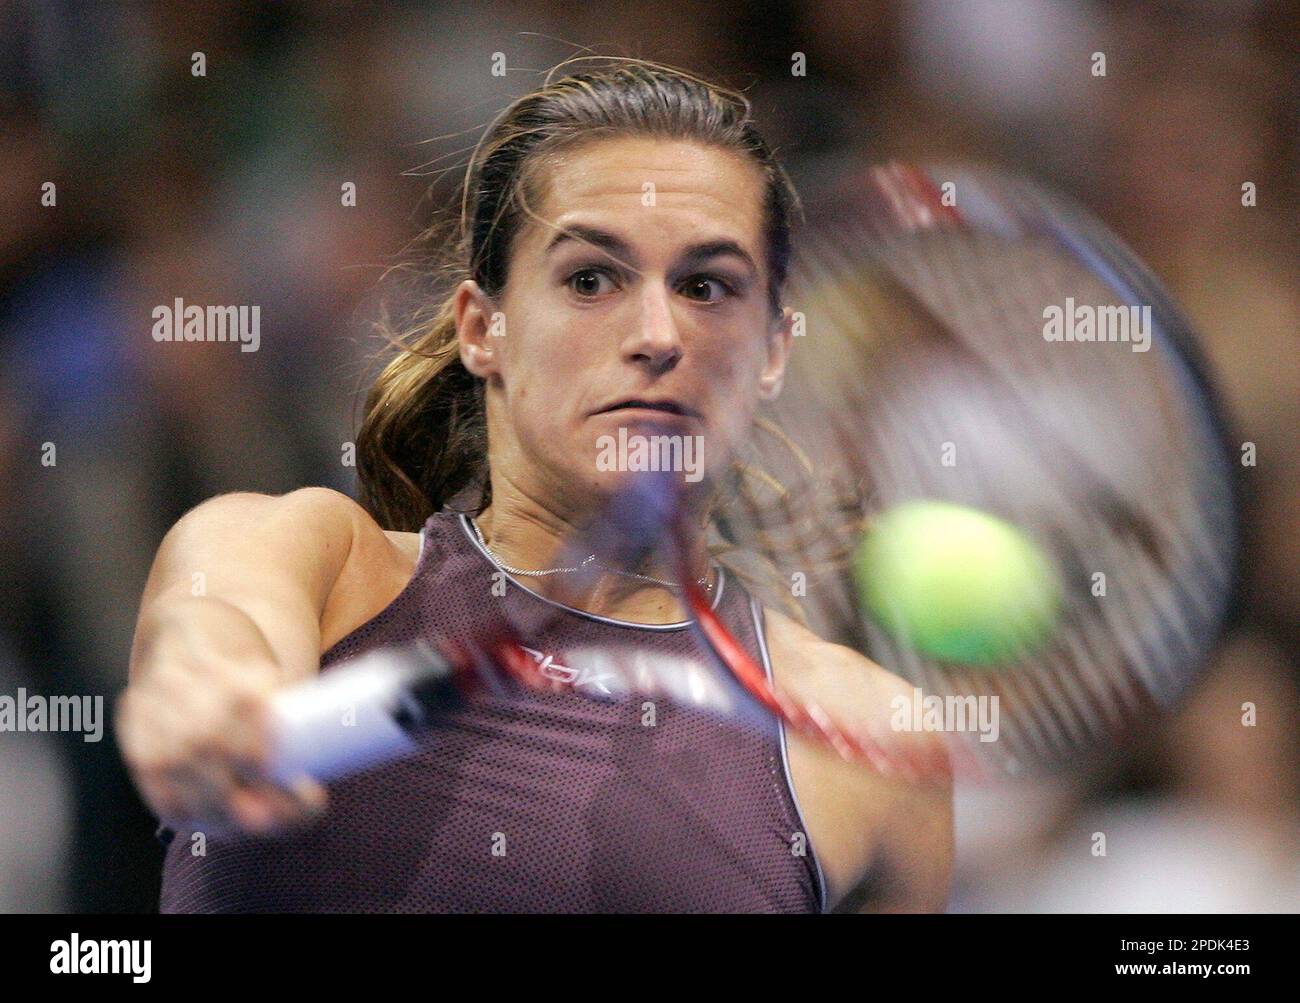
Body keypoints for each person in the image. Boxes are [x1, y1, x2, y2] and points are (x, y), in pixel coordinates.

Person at [117, 58, 953, 913]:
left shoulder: (865, 742)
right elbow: (214, 629)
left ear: (773, 350)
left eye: (708, 286)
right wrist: (206, 693)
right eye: (591, 278)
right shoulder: (305, 555)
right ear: (484, 330)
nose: (659, 334)